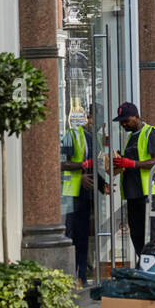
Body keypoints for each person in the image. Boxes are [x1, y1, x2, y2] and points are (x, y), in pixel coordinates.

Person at [109, 102, 155, 264]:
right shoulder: (131, 137)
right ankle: (144, 265)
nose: (123, 124)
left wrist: (131, 164)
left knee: (152, 234)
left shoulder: (151, 133)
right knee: (136, 233)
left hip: (149, 192)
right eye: (121, 121)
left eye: (126, 120)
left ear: (136, 116)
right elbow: (132, 160)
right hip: (133, 193)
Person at [61, 105, 97, 285]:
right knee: (70, 235)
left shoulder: (88, 138)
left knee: (83, 237)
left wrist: (101, 186)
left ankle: (81, 276)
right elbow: (62, 164)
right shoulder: (70, 135)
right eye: (87, 117)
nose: (90, 121)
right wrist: (82, 168)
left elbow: (92, 165)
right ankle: (70, 277)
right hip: (70, 195)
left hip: (85, 194)